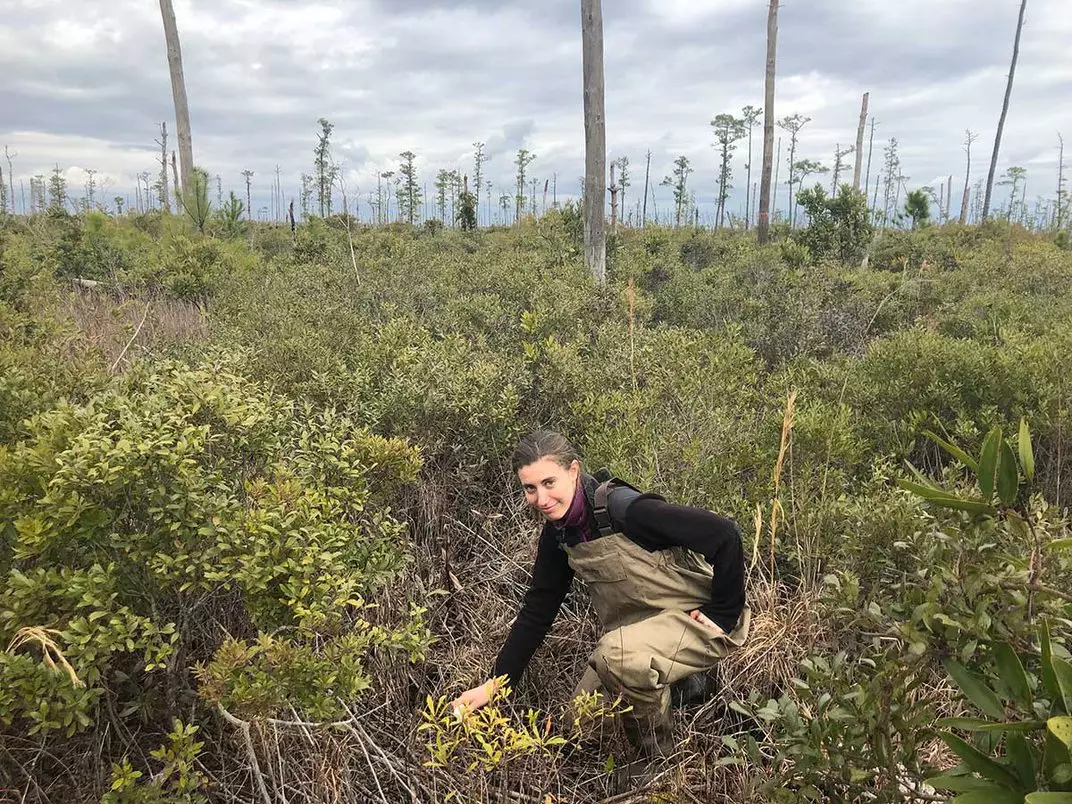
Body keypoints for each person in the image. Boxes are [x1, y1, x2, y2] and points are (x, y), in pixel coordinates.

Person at [452, 430, 750, 757]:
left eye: (549, 483)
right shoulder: (559, 535)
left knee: (616, 657)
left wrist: (723, 612)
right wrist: (497, 684)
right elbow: (537, 611)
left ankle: (658, 760)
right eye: (530, 488)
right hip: (641, 632)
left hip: (696, 621)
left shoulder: (625, 509)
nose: (541, 499)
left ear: (574, 471)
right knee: (579, 727)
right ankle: (685, 685)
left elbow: (724, 534)